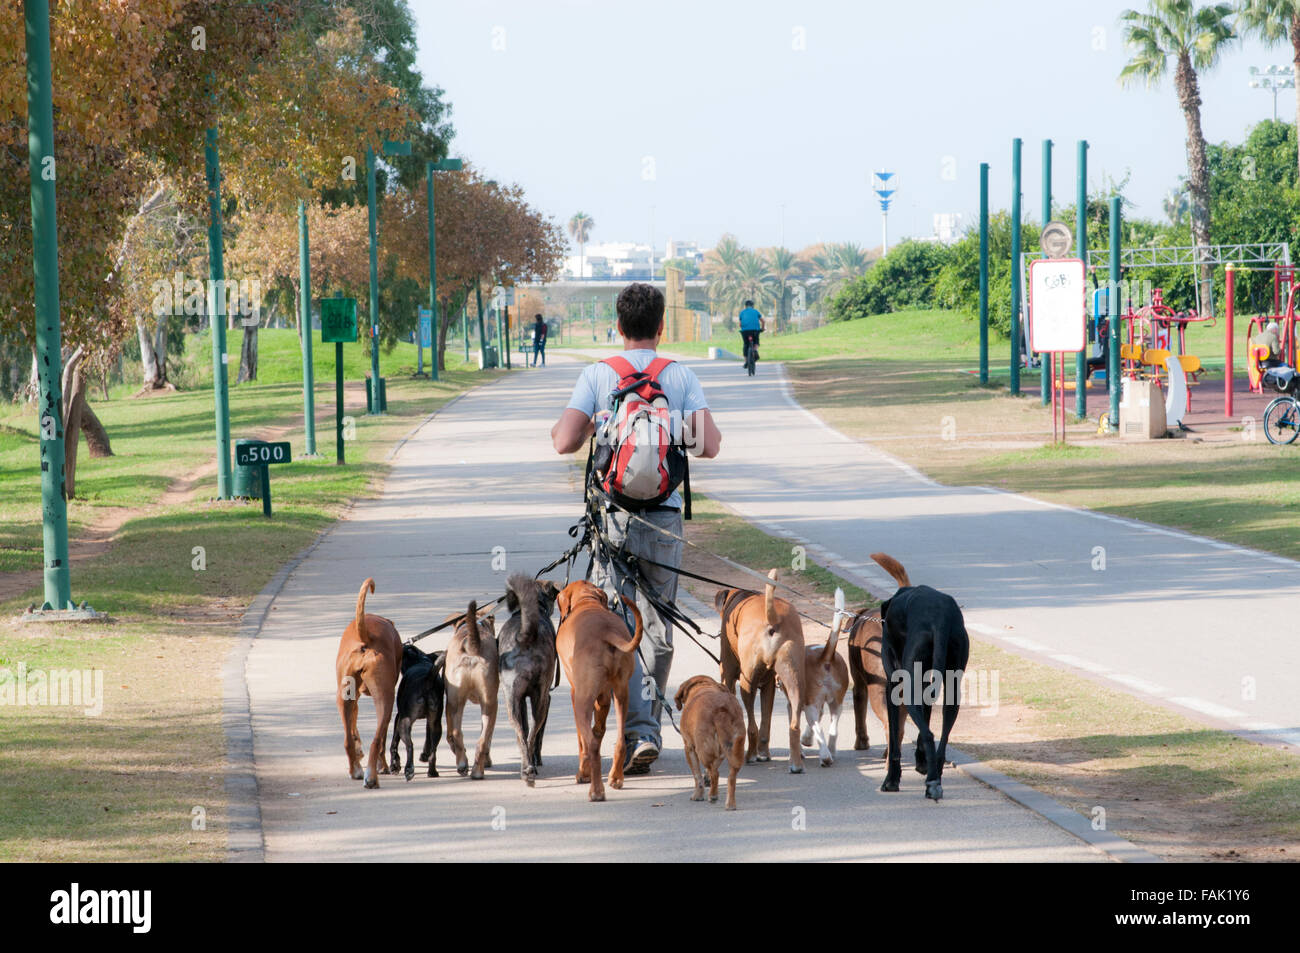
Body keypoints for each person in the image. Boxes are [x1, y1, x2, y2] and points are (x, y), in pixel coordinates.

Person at [551, 282, 722, 774]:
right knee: (658, 624)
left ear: (619, 327)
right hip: (665, 516)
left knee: (615, 624)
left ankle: (623, 733)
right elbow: (709, 446)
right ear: (662, 327)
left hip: (614, 519)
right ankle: (644, 731)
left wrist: (592, 427)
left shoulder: (598, 374)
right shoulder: (681, 375)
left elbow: (564, 441)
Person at [738, 299, 765, 370]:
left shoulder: (742, 312)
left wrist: (744, 327)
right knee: (756, 342)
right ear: (753, 306)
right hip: (755, 330)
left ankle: (746, 361)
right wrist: (762, 328)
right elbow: (763, 321)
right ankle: (755, 350)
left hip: (745, 331)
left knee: (746, 344)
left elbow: (740, 324)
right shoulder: (756, 311)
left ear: (745, 306)